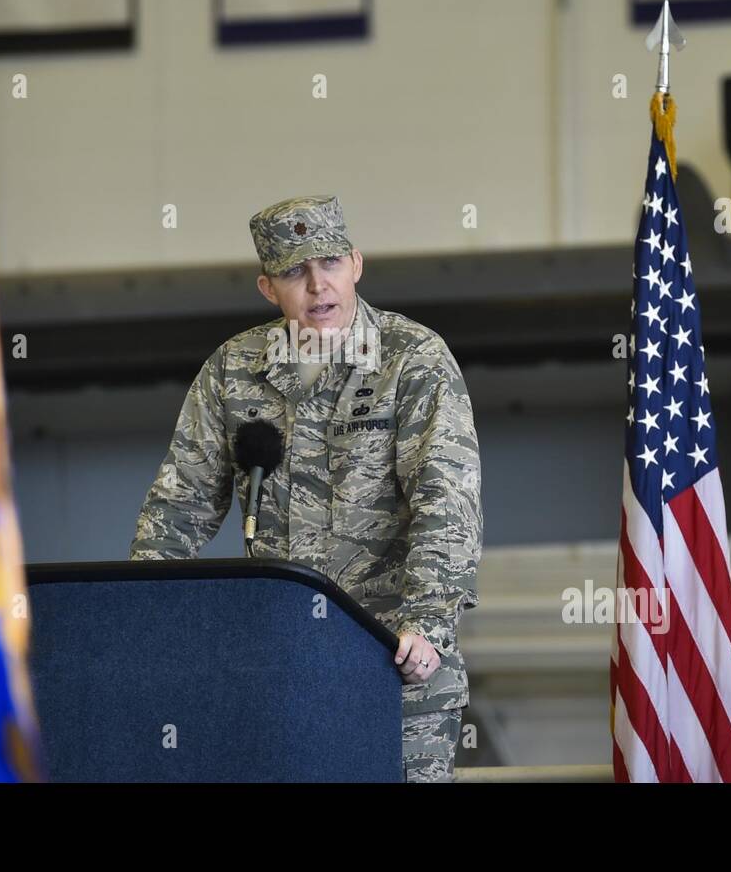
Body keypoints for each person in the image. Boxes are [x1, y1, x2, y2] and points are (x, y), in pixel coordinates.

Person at [129, 194, 483, 782]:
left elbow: (447, 502)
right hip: (277, 674)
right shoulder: (232, 370)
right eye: (295, 272)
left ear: (357, 264)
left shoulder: (412, 358)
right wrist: (141, 620)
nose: (318, 286)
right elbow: (178, 507)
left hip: (394, 668)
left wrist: (428, 623)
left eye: (330, 264)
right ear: (268, 288)